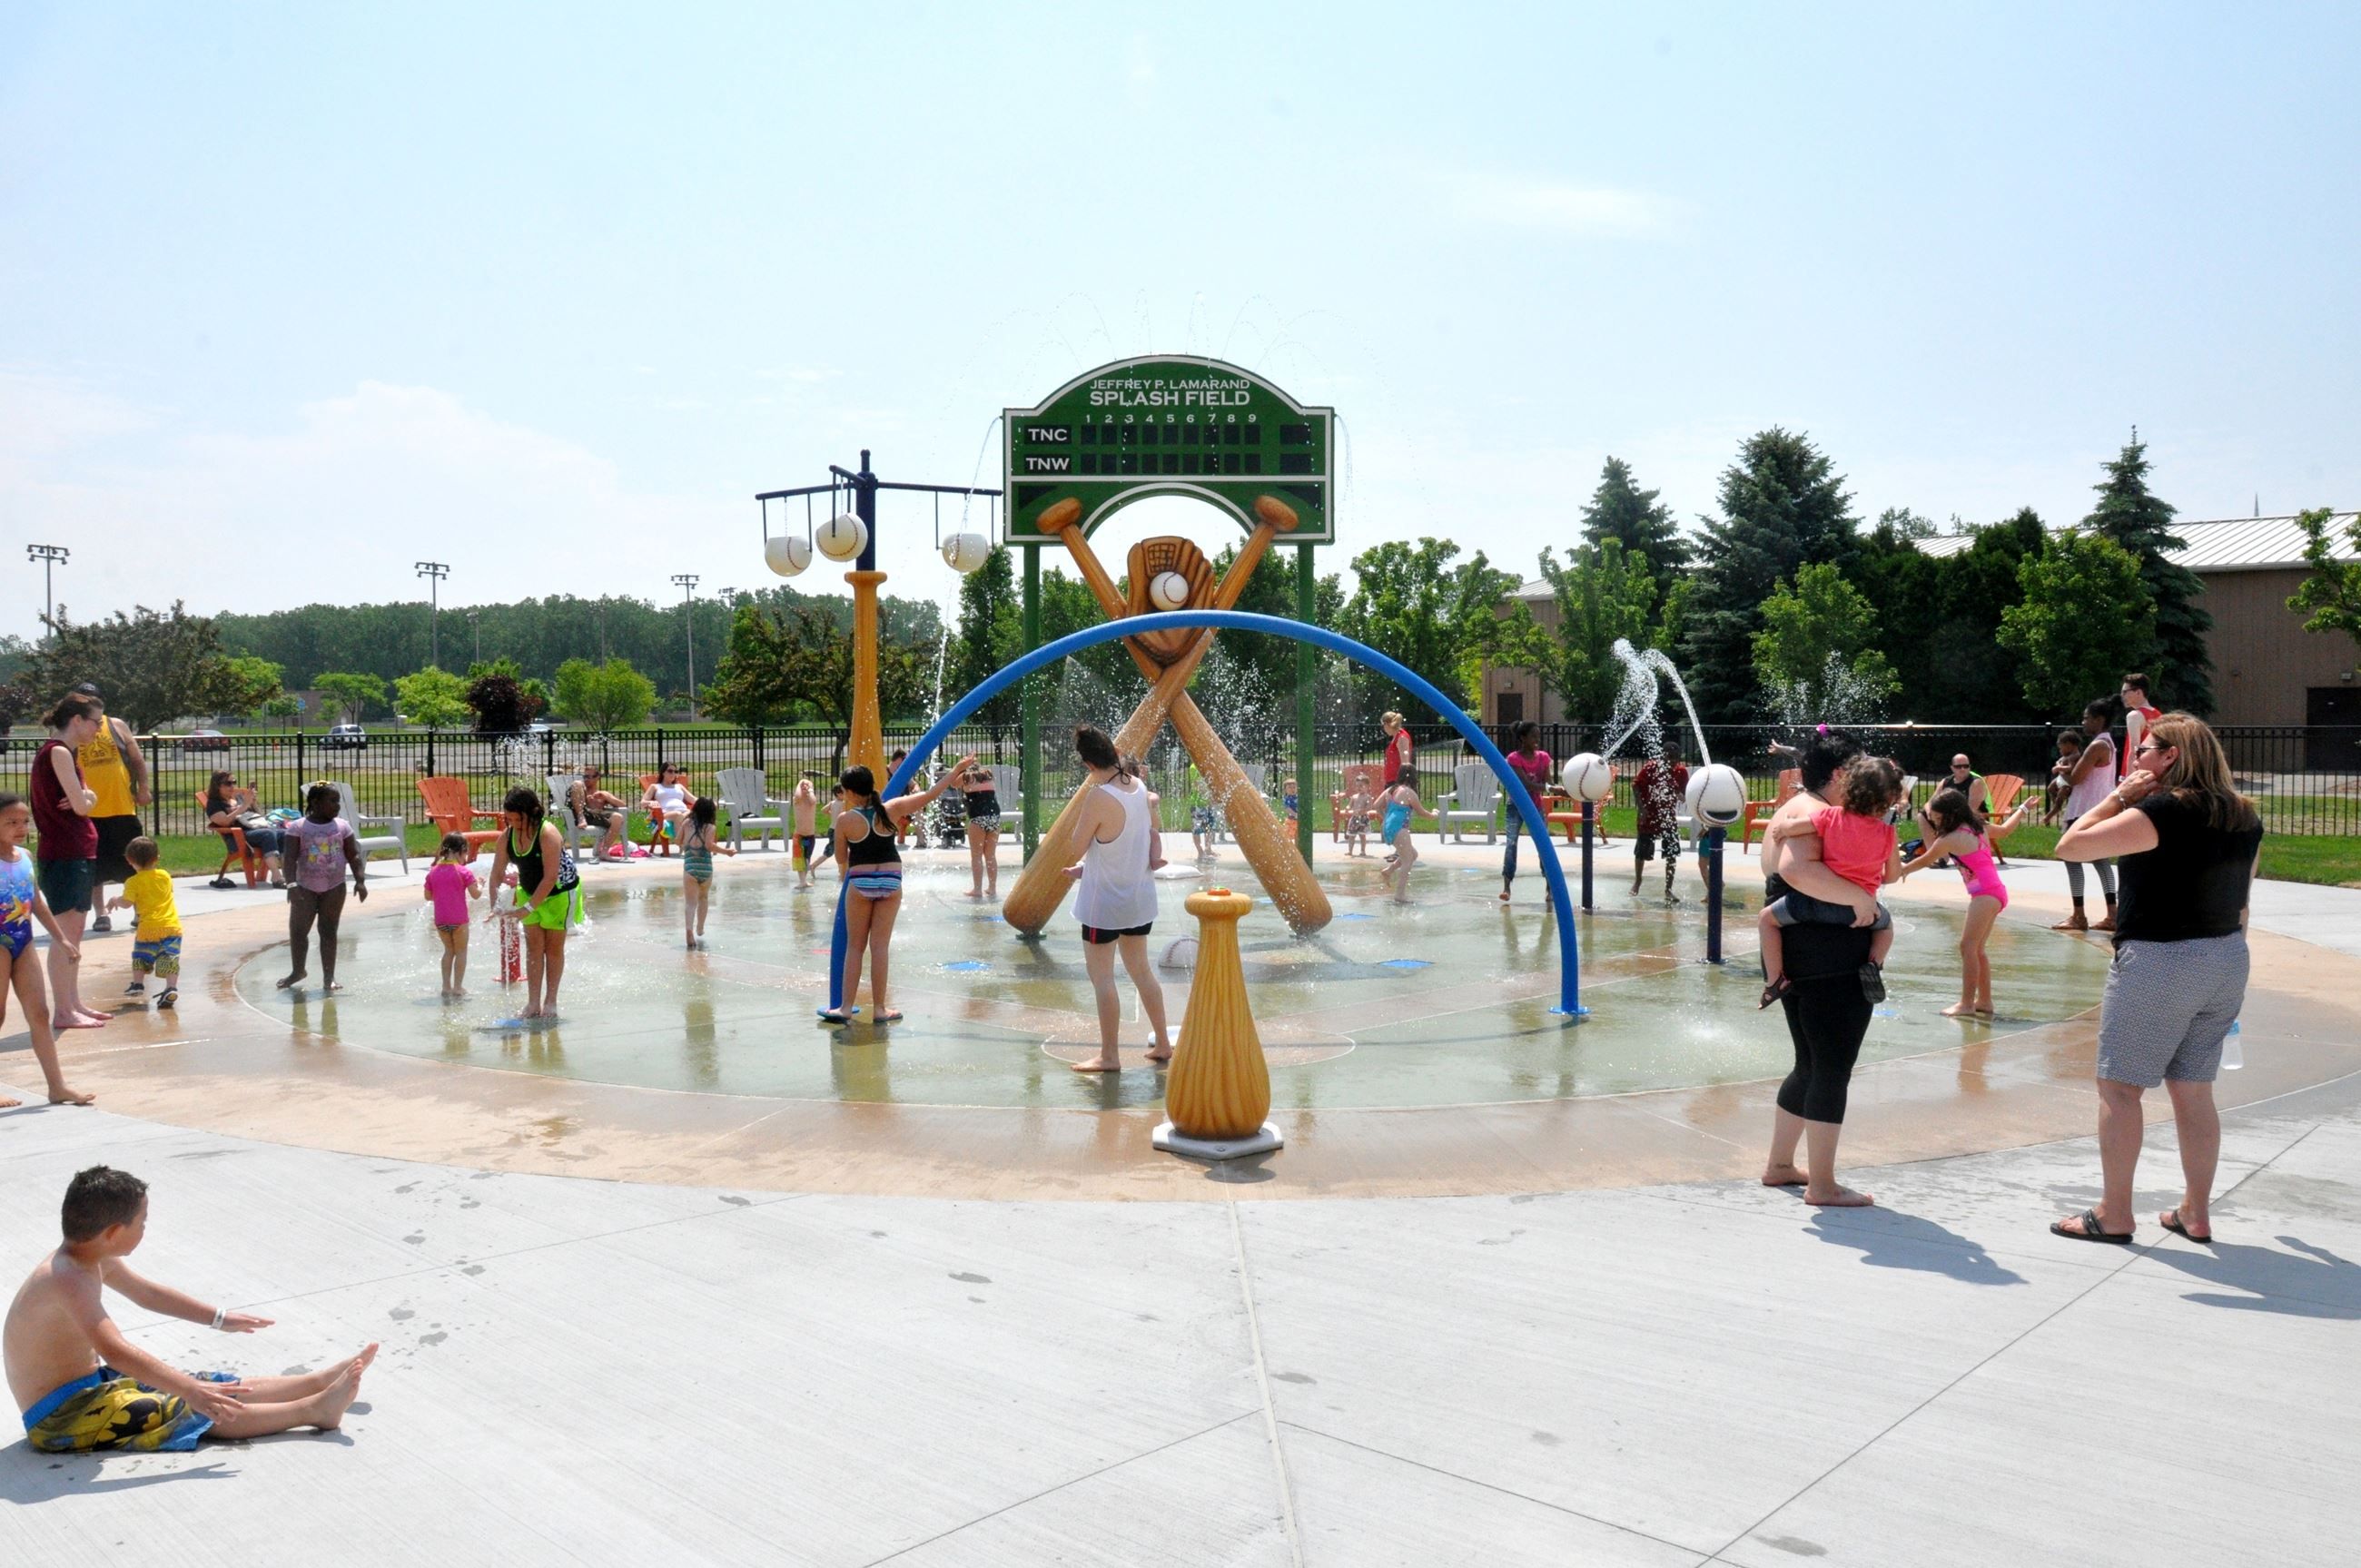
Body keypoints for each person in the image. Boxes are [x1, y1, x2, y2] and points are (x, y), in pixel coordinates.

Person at [2047, 714, 2263, 1244]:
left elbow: (2070, 845)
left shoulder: (2163, 810)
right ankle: (2195, 1211)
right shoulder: (2243, 815)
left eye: (2145, 750)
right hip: (2226, 956)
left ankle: (2114, 1213)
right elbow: (2244, 897)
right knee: (2193, 1091)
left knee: (2119, 1089)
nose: (2136, 759)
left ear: (2170, 757)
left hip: (2163, 959)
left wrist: (2118, 797)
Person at [5, 1167, 373, 1452]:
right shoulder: (67, 1278)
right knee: (197, 1405)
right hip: (60, 1417)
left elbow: (147, 1294)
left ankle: (315, 1383)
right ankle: (312, 1410)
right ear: (114, 1232)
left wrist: (219, 1318)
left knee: (210, 1387)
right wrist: (188, 1391)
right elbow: (114, 1349)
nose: (145, 1229)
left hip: (92, 1387)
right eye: (142, 1222)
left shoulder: (91, 1256)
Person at [1755, 727, 1884, 1207]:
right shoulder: (1814, 813)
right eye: (1857, 769)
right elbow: (1795, 869)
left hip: (1799, 945)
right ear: (1837, 774)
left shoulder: (1796, 809)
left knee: (1809, 1062)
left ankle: (1781, 1164)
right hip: (1826, 950)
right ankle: (1823, 1185)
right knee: (1833, 1065)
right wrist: (1860, 898)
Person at [820, 754, 973, 1027]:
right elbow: (931, 793)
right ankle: (879, 1009)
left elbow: (842, 859)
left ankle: (845, 1008)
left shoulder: (845, 820)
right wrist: (958, 769)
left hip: (860, 881)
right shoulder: (892, 808)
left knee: (856, 947)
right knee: (880, 948)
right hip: (891, 880)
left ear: (852, 792)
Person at [1757, 755, 1904, 1009]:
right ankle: (1874, 964)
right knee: (1886, 926)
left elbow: (1793, 827)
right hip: (1861, 913)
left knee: (1766, 919)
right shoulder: (1888, 833)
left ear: (1849, 787)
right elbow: (1891, 876)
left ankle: (1774, 981)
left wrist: (1783, 830)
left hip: (1815, 903)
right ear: (1890, 800)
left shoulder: (1832, 816)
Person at [1064, 726, 1171, 1071]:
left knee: (1103, 978)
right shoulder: (1138, 787)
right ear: (1113, 751)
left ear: (1086, 764)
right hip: (1138, 899)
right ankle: (1163, 1044)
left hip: (1103, 906)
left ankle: (1109, 1056)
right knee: (1142, 971)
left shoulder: (1099, 796)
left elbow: (1074, 847)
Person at [1900, 790, 2032, 1019]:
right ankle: (1985, 1002)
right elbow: (2006, 830)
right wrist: (2023, 809)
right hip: (1995, 892)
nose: (1935, 823)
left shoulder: (1950, 839)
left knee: (1967, 947)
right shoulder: (1978, 827)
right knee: (1978, 950)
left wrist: (1900, 871)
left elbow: (1924, 859)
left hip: (1984, 895)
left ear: (1951, 815)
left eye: (1939, 819)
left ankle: (1966, 1004)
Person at [0, 794, 94, 1107]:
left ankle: (57, 1087)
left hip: (22, 942)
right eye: (11, 822)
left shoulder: (24, 856)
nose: (20, 827)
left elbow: (36, 900)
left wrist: (62, 938)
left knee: (40, 1014)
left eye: (24, 821)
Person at [32, 694, 107, 1031]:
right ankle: (63, 1010)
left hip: (74, 851)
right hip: (65, 853)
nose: (97, 728)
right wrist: (86, 798)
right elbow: (82, 805)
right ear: (77, 719)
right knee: (66, 935)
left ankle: (72, 1002)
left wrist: (86, 797)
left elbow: (87, 798)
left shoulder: (67, 754)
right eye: (95, 722)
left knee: (74, 935)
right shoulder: (59, 752)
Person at [486, 786, 580, 1020]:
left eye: (517, 818)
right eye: (508, 818)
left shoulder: (547, 833)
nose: (512, 823)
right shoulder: (507, 836)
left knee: (553, 948)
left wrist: (526, 909)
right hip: (529, 890)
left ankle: (551, 1002)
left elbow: (549, 878)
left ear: (532, 812)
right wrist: (495, 906)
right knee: (534, 947)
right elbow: (496, 873)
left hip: (559, 893)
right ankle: (532, 1003)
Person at [70, 685, 150, 937]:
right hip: (88, 811)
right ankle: (101, 914)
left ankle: (140, 912)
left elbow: (136, 759)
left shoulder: (115, 725)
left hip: (121, 807)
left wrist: (144, 788)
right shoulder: (70, 730)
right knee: (94, 868)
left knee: (135, 862)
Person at [277, 782, 369, 993]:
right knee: (299, 931)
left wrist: (360, 880)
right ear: (315, 802)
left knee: (328, 931)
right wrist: (291, 885)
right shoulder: (298, 827)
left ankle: (329, 978)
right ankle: (298, 971)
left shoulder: (342, 826)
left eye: (338, 801)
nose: (337, 805)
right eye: (332, 801)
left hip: (334, 887)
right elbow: (289, 858)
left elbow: (353, 855)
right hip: (304, 887)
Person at [2052, 699, 2120, 932]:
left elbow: (2076, 778)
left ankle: (2078, 916)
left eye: (2086, 718)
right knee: (2101, 861)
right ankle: (2113, 914)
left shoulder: (2096, 746)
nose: (2083, 722)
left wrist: (2060, 775)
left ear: (2099, 719)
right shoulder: (2108, 744)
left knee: (2071, 858)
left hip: (2083, 811)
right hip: (2098, 809)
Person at [104, 837, 181, 1011]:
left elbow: (127, 903)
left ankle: (138, 984)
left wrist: (115, 900)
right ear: (157, 858)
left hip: (148, 928)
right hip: (171, 926)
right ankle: (171, 987)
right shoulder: (165, 876)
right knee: (169, 958)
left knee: (140, 956)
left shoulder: (133, 882)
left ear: (129, 860)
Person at [1498, 721, 1554, 902]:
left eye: (1538, 736)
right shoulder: (1514, 759)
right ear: (1523, 738)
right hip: (1516, 806)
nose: (1537, 739)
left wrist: (1556, 788)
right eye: (1533, 736)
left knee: (1543, 845)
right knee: (1511, 843)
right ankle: (1507, 886)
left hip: (1536, 806)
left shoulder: (1544, 758)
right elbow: (1526, 785)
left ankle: (1550, 888)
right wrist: (1550, 789)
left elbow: (1549, 783)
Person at [1629, 741, 1690, 904]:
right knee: (1641, 852)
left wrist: (1681, 794)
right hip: (1649, 816)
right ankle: (1638, 880)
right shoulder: (1651, 768)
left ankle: (1668, 889)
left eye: (1675, 758)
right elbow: (1635, 786)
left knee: (1671, 854)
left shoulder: (1681, 772)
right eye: (1669, 757)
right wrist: (1641, 809)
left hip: (1667, 817)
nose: (1672, 761)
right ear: (1663, 755)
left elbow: (1683, 795)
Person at [422, 833, 482, 998]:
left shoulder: (433, 872)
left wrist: (443, 894)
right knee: (461, 952)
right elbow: (476, 895)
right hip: (459, 920)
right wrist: (481, 884)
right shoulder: (463, 872)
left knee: (449, 951)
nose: (465, 859)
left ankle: (446, 987)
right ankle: (458, 987)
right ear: (461, 851)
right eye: (466, 854)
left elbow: (428, 896)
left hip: (441, 920)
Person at [202, 772, 284, 887]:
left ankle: (288, 875)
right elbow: (224, 822)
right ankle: (277, 877)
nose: (232, 786)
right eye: (228, 783)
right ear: (217, 786)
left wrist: (253, 803)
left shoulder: (238, 798)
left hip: (255, 830)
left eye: (233, 782)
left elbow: (259, 817)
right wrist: (244, 805)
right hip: (238, 837)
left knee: (285, 834)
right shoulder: (214, 804)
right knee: (268, 834)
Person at [1378, 764, 1440, 903]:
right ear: (1413, 777)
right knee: (1407, 861)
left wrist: (1386, 819)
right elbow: (1422, 813)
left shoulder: (1390, 790)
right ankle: (1400, 894)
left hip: (1388, 828)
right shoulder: (1409, 792)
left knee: (1413, 855)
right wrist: (1435, 814)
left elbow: (1376, 805)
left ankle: (1389, 870)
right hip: (1399, 829)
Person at [680, 795, 734, 947]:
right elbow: (710, 846)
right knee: (703, 898)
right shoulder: (711, 828)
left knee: (690, 903)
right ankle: (700, 927)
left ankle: (689, 931)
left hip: (690, 867)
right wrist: (726, 852)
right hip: (705, 868)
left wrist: (684, 843)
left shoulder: (686, 824)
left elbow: (678, 840)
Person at [953, 760, 1003, 900]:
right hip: (994, 818)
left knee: (976, 856)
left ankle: (977, 889)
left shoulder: (966, 777)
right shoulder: (988, 774)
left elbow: (953, 784)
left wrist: (959, 769)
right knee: (990, 855)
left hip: (978, 819)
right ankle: (992, 888)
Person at [568, 767, 630, 863]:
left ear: (598, 778)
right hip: (581, 816)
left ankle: (604, 852)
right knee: (577, 784)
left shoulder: (602, 794)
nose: (586, 779)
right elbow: (572, 801)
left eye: (590, 776)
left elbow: (623, 806)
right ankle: (581, 817)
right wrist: (584, 800)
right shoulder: (580, 790)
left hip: (597, 817)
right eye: (585, 776)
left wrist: (606, 797)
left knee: (618, 817)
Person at [641, 763, 695, 856]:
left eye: (675, 771)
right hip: (664, 815)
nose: (673, 774)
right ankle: (683, 845)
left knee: (688, 814)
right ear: (663, 773)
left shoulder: (679, 787)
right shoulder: (655, 787)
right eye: (670, 771)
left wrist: (707, 802)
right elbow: (643, 802)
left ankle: (682, 843)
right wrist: (650, 803)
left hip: (684, 812)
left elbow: (693, 799)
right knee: (678, 814)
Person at [2119, 672, 2162, 776]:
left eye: (2125, 692)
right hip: (2154, 773)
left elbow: (2134, 750)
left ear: (2138, 692)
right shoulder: (2159, 715)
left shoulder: (2134, 715)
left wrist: (2128, 780)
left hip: (2137, 774)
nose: (2122, 696)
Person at [790, 775, 824, 889]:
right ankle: (802, 880)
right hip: (799, 836)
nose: (804, 787)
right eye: (802, 786)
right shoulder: (797, 800)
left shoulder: (810, 802)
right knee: (800, 859)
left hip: (810, 836)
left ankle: (804, 880)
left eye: (807, 785)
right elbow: (798, 795)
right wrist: (800, 783)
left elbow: (813, 800)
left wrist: (810, 789)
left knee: (807, 858)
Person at [1344, 781, 1375, 858]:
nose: (1359, 788)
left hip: (1363, 818)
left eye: (1361, 786)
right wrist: (1347, 808)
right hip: (1354, 818)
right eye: (1357, 786)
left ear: (1367, 787)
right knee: (1351, 836)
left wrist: (1364, 810)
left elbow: (1370, 807)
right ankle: (1350, 851)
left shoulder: (1368, 797)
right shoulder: (1354, 797)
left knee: (1362, 836)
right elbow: (1350, 805)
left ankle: (1363, 851)